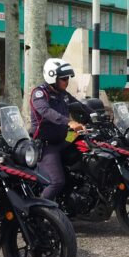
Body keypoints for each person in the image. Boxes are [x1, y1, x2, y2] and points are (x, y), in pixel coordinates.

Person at [29, 58, 84, 202]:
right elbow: (46, 111)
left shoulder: (63, 94)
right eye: (64, 78)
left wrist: (97, 115)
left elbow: (79, 105)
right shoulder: (39, 94)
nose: (67, 81)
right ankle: (39, 213)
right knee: (57, 181)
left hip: (62, 141)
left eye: (68, 78)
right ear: (52, 77)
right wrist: (69, 122)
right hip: (45, 145)